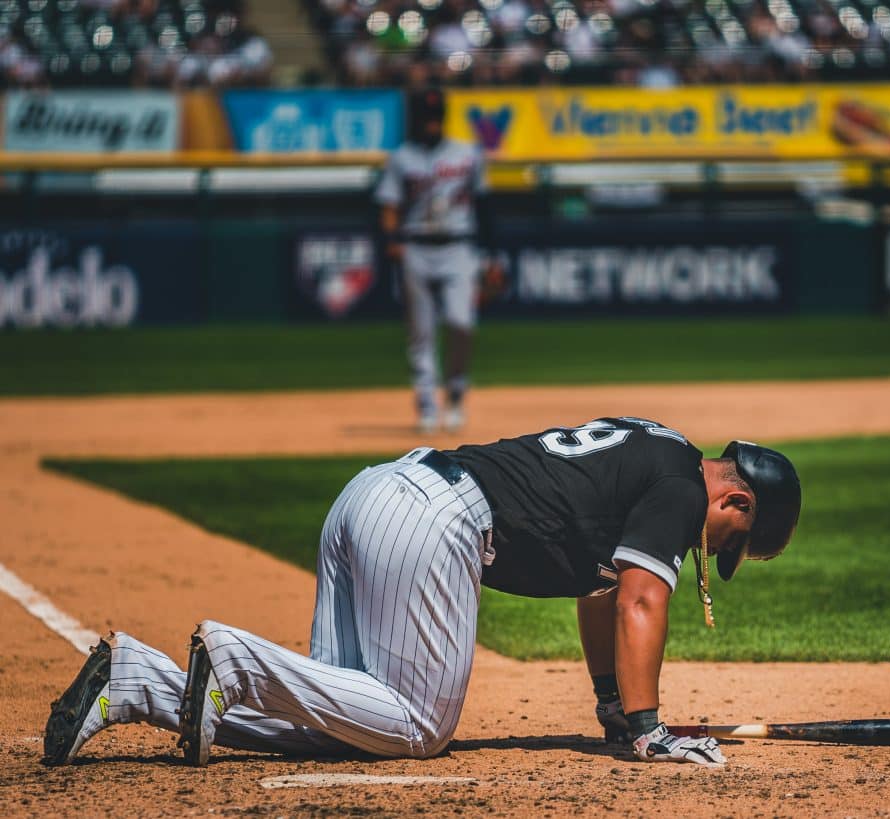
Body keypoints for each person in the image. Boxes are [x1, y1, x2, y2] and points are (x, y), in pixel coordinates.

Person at [43, 417, 800, 768]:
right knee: (417, 727)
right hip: (434, 521)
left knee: (340, 724)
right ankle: (237, 659)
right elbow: (640, 597)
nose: (715, 549)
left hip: (376, 493)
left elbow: (602, 592)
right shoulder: (678, 485)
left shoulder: (655, 449)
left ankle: (140, 683)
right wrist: (647, 729)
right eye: (729, 542)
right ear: (735, 506)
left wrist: (609, 703)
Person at [374, 87, 490, 434]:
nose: (431, 124)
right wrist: (392, 239)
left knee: (461, 322)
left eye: (436, 117)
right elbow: (389, 207)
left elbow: (485, 206)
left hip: (459, 246)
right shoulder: (402, 158)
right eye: (426, 118)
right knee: (421, 333)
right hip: (417, 246)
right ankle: (426, 404)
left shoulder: (468, 153)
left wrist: (491, 254)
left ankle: (455, 393)